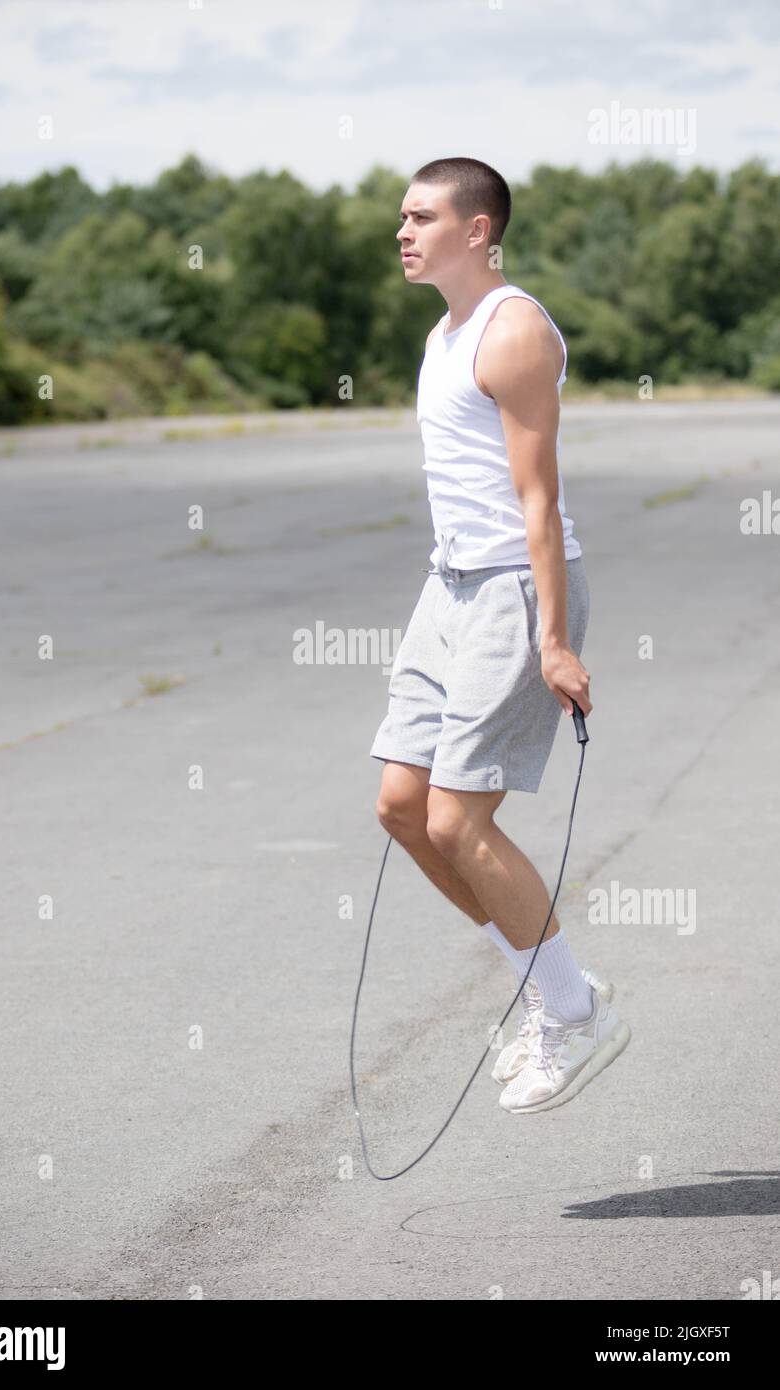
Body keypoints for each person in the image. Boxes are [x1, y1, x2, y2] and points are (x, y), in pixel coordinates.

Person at [368, 156, 630, 1114]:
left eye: (422, 216)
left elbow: (539, 497)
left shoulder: (513, 331)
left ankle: (571, 1009)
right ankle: (554, 987)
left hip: (519, 594)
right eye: (401, 215)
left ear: (476, 230)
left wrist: (554, 640)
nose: (403, 231)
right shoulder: (444, 333)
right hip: (449, 592)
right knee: (402, 805)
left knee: (456, 821)